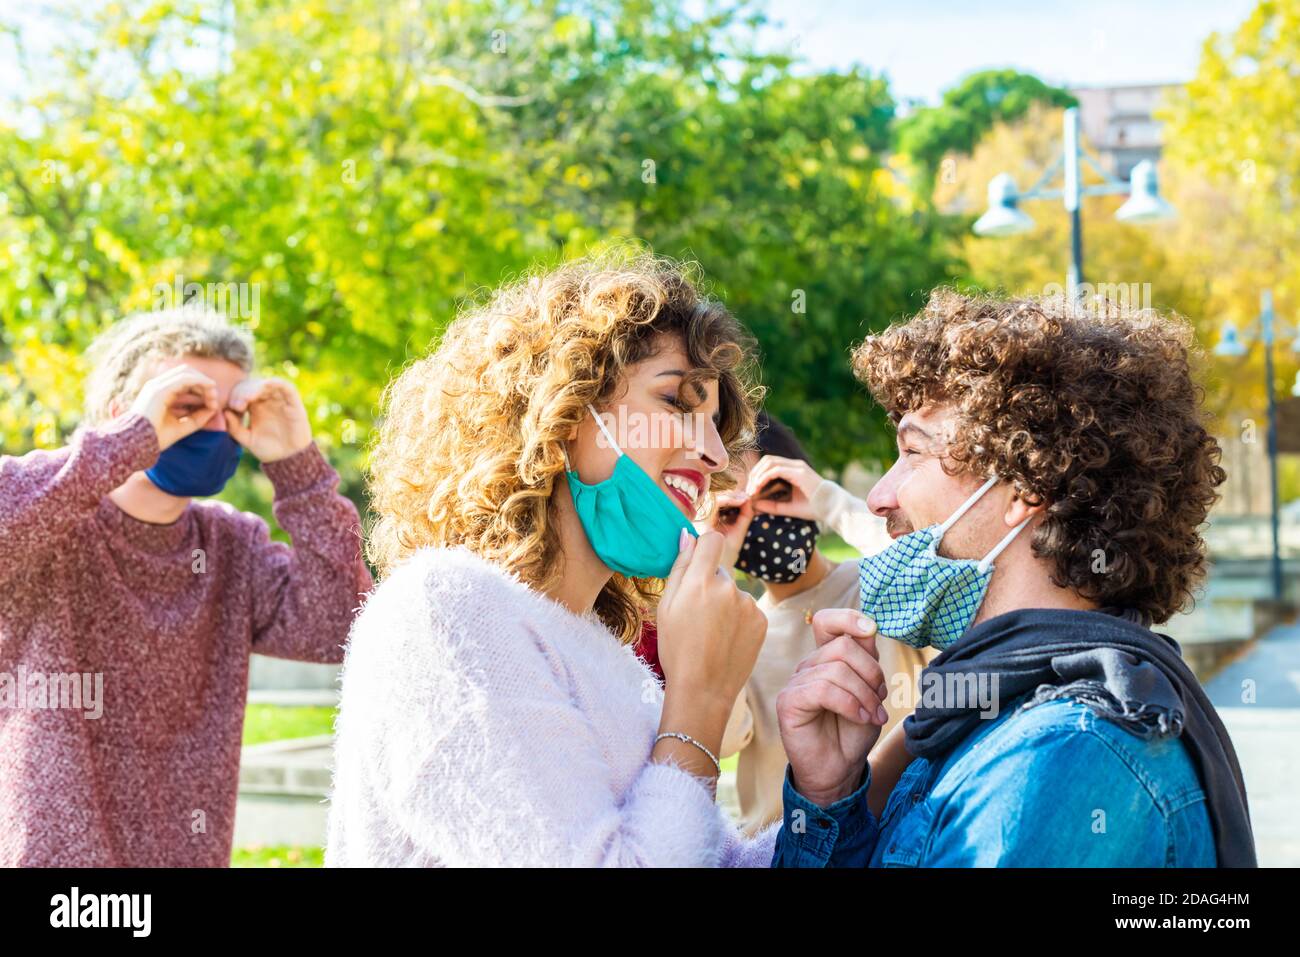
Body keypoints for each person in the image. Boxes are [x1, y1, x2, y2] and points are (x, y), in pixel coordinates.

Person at [326, 253, 870, 866]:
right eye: (677, 402)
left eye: (716, 422)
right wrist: (699, 701)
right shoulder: (445, 611)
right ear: (559, 413)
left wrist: (829, 787)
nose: (715, 453)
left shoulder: (599, 650)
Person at [773, 290, 1257, 867]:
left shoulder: (1064, 753)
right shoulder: (982, 717)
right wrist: (830, 794)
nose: (879, 498)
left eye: (913, 453)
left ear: (1025, 490)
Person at [0, 306, 373, 866]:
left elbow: (339, 622)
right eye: (187, 403)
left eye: (229, 410)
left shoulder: (231, 545)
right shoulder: (49, 521)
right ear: (120, 413)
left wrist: (298, 465)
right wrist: (125, 444)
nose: (213, 426)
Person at [692, 411, 935, 834]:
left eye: (773, 491)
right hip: (782, 851)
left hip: (894, 836)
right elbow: (724, 739)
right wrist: (716, 563)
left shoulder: (877, 582)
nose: (759, 517)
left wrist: (829, 500)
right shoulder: (741, 627)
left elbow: (934, 573)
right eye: (733, 511)